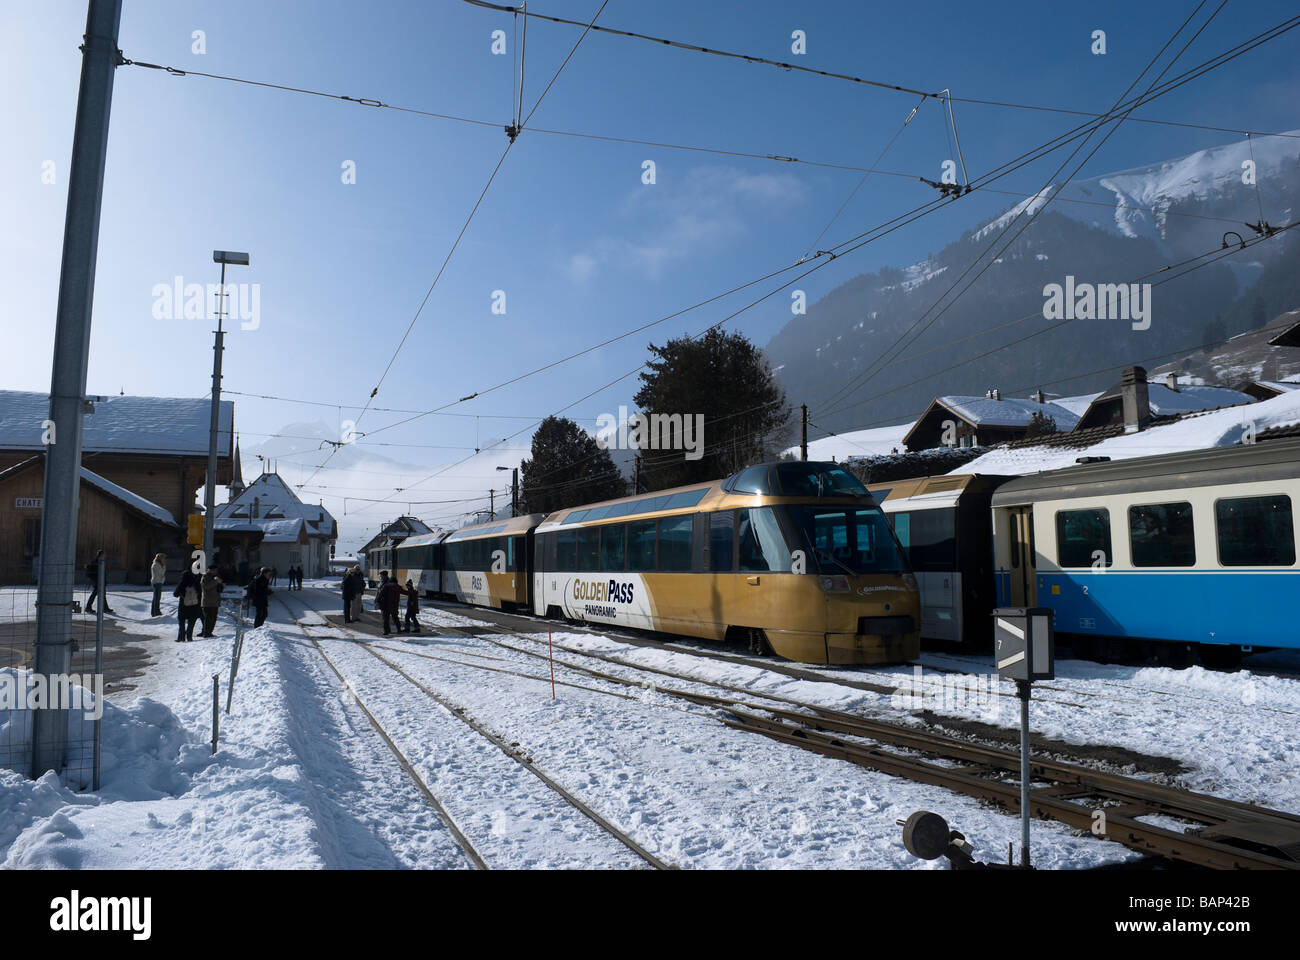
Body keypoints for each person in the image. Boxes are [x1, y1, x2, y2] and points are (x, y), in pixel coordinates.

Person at [173, 567, 201, 642]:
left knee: (181, 622)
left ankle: (181, 637)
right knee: (191, 622)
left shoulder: (182, 583)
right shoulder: (196, 583)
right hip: (194, 605)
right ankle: (189, 637)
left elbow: (175, 594)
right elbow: (200, 593)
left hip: (183, 606)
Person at [85, 549, 114, 614]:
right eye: (104, 554)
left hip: (100, 581)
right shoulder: (96, 561)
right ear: (101, 554)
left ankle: (105, 608)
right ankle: (88, 608)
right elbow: (96, 572)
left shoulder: (100, 561)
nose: (105, 555)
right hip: (97, 581)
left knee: (102, 594)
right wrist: (97, 581)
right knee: (94, 594)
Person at [199, 569, 224, 637]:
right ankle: (206, 633)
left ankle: (209, 632)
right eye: (214, 570)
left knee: (213, 618)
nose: (215, 571)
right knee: (208, 619)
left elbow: (219, 589)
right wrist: (216, 581)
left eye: (216, 570)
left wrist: (221, 584)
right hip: (207, 602)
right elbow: (207, 587)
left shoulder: (216, 577)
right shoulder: (205, 577)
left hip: (215, 601)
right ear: (210, 570)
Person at [377, 571, 401, 636]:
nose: (380, 577)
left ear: (385, 576)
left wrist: (377, 600)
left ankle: (387, 631)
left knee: (386, 618)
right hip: (391, 604)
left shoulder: (387, 584)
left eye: (381, 576)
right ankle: (397, 630)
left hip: (386, 603)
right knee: (393, 617)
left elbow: (381, 593)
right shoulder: (393, 584)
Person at [150, 552, 166, 617]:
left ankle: (155, 612)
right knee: (157, 598)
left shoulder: (159, 564)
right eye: (163, 558)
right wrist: (164, 566)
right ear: (160, 558)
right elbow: (161, 573)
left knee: (156, 598)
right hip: (157, 582)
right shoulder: (156, 565)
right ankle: (156, 612)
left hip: (158, 582)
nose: (164, 559)